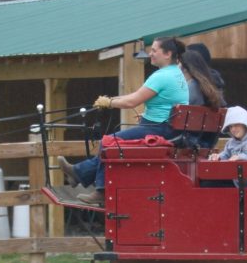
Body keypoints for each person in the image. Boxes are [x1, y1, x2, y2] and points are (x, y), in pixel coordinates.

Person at [59, 36, 190, 204]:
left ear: (167, 54)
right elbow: (138, 97)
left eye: (154, 50)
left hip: (159, 128)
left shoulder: (161, 76)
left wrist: (109, 102)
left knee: (108, 142)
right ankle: (78, 173)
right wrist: (111, 99)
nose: (150, 54)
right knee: (111, 141)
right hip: (167, 127)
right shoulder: (176, 74)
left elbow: (132, 101)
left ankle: (101, 190)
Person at [179, 48, 226, 149]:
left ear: (185, 68)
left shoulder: (192, 88)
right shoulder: (210, 87)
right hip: (207, 143)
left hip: (189, 143)